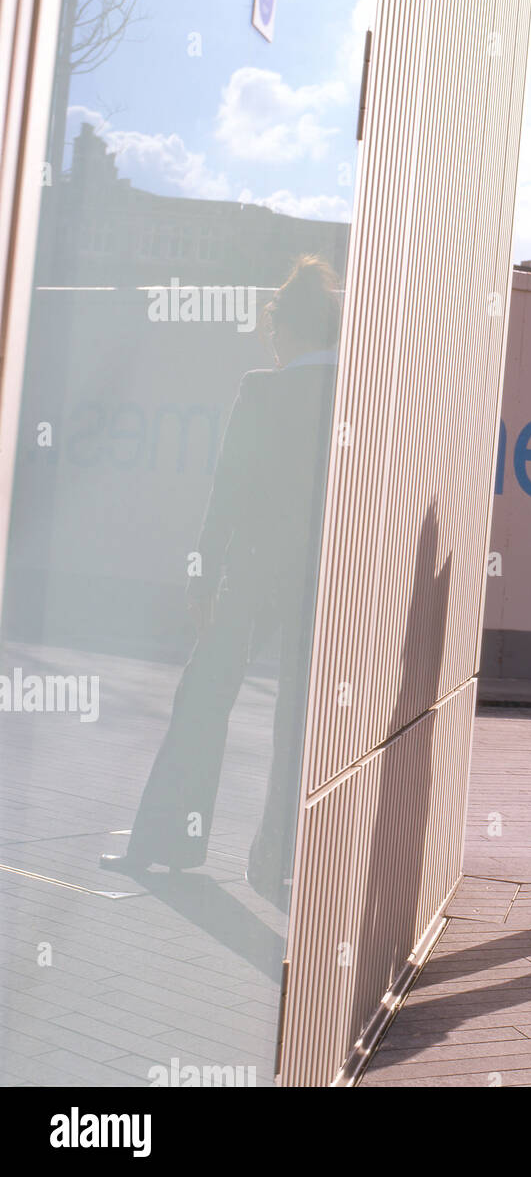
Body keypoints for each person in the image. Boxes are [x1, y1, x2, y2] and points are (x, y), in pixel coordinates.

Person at [100, 255, 340, 909]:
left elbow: (227, 492)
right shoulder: (355, 400)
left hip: (254, 573)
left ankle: (170, 843)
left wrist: (203, 571)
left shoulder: (263, 390)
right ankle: (278, 862)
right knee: (301, 719)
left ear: (284, 330)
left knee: (203, 699)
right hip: (324, 580)